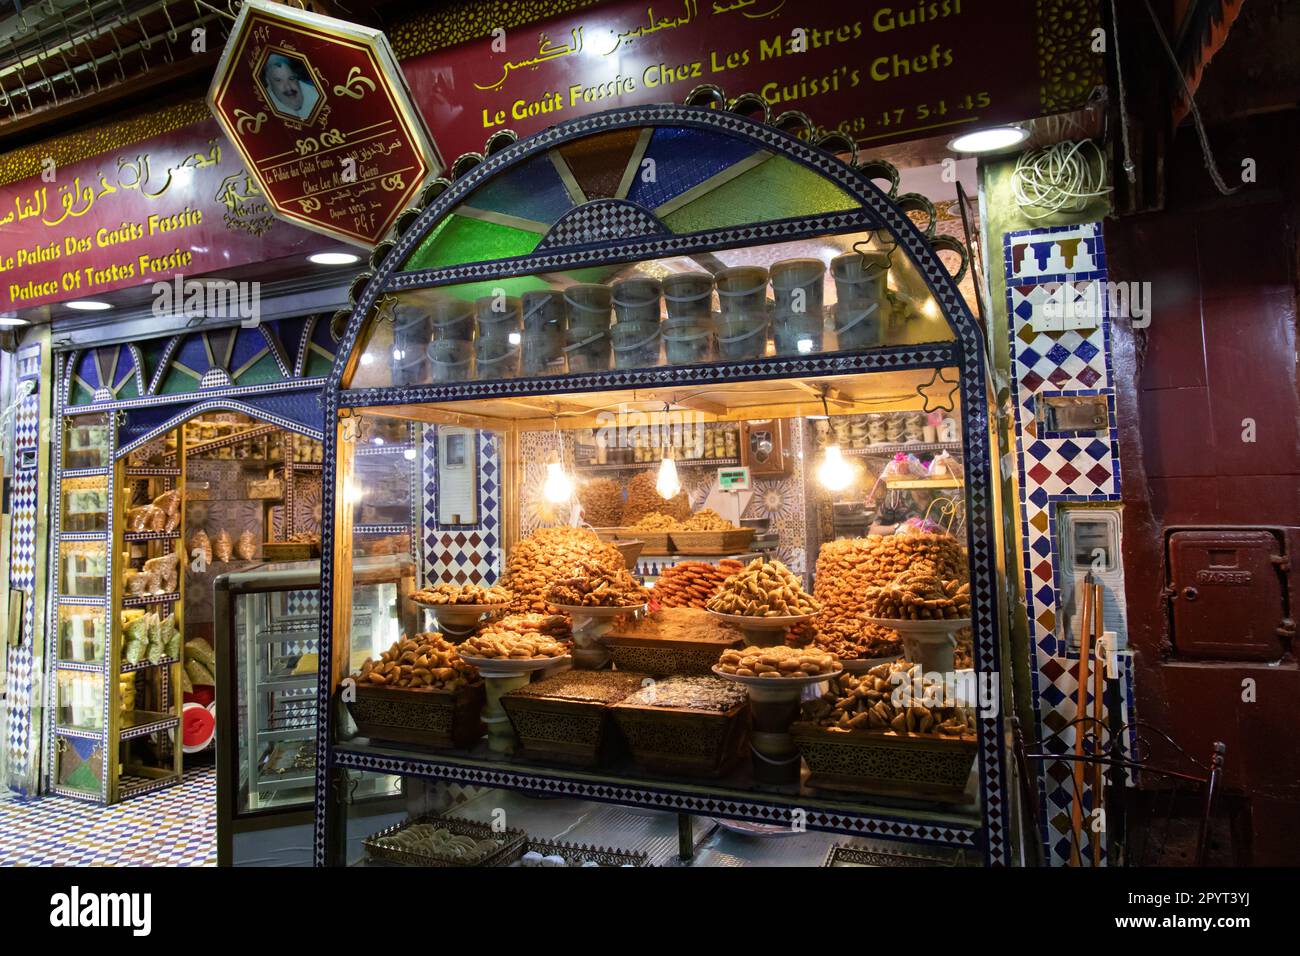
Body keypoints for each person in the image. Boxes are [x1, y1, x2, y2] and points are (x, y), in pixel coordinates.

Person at [262, 53, 320, 121]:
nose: (288, 87)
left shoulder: (316, 94)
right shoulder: (263, 106)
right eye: (279, 80)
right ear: (268, 81)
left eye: (291, 78)